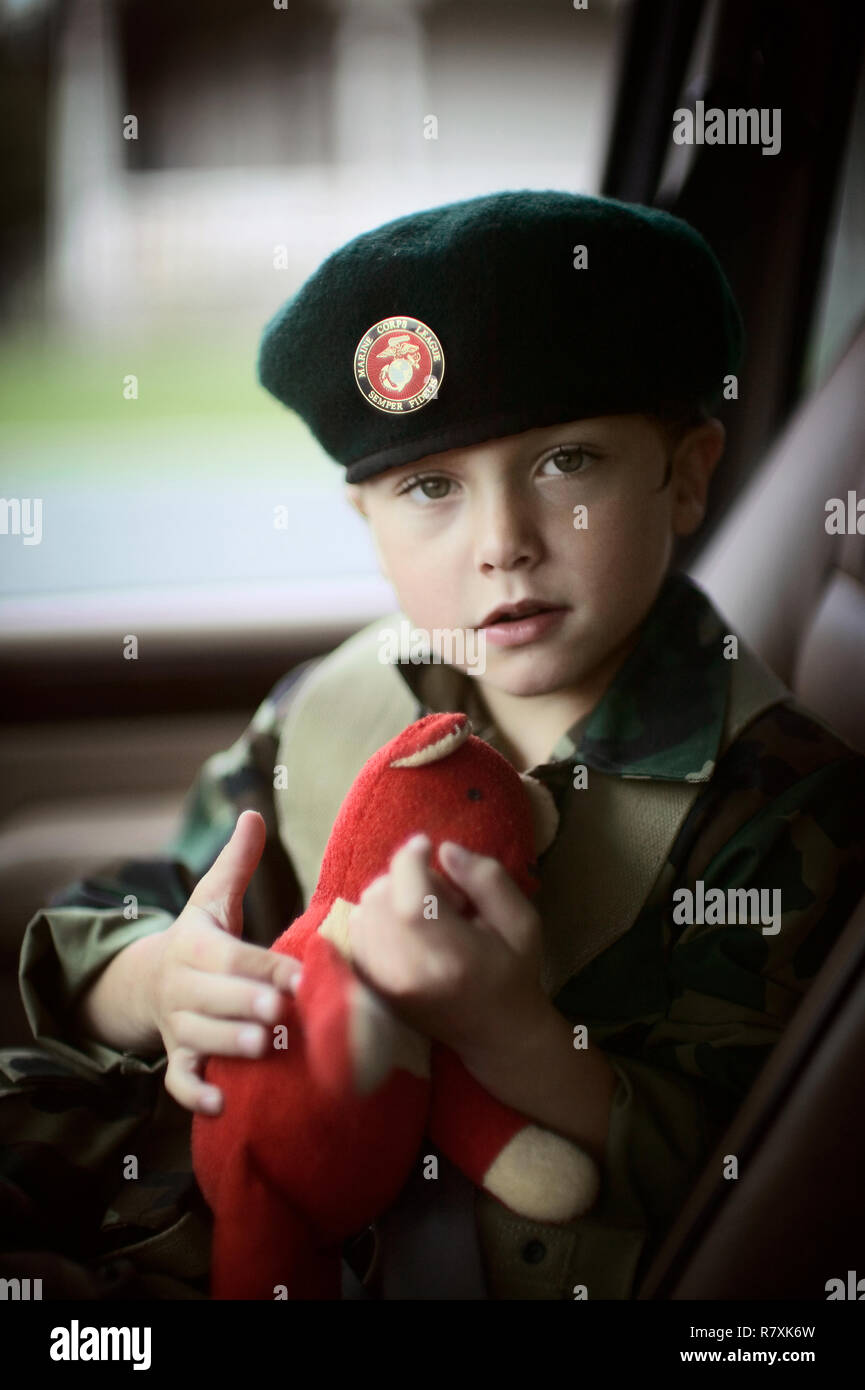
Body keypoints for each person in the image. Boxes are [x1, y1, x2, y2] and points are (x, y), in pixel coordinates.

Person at [6, 190, 865, 1301]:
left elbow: (739, 1174)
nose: (503, 544)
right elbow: (154, 893)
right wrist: (160, 979)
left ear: (686, 472)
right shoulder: (336, 702)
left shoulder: (779, 808)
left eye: (567, 464)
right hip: (221, 1200)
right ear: (366, 521)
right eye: (430, 487)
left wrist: (510, 1032)